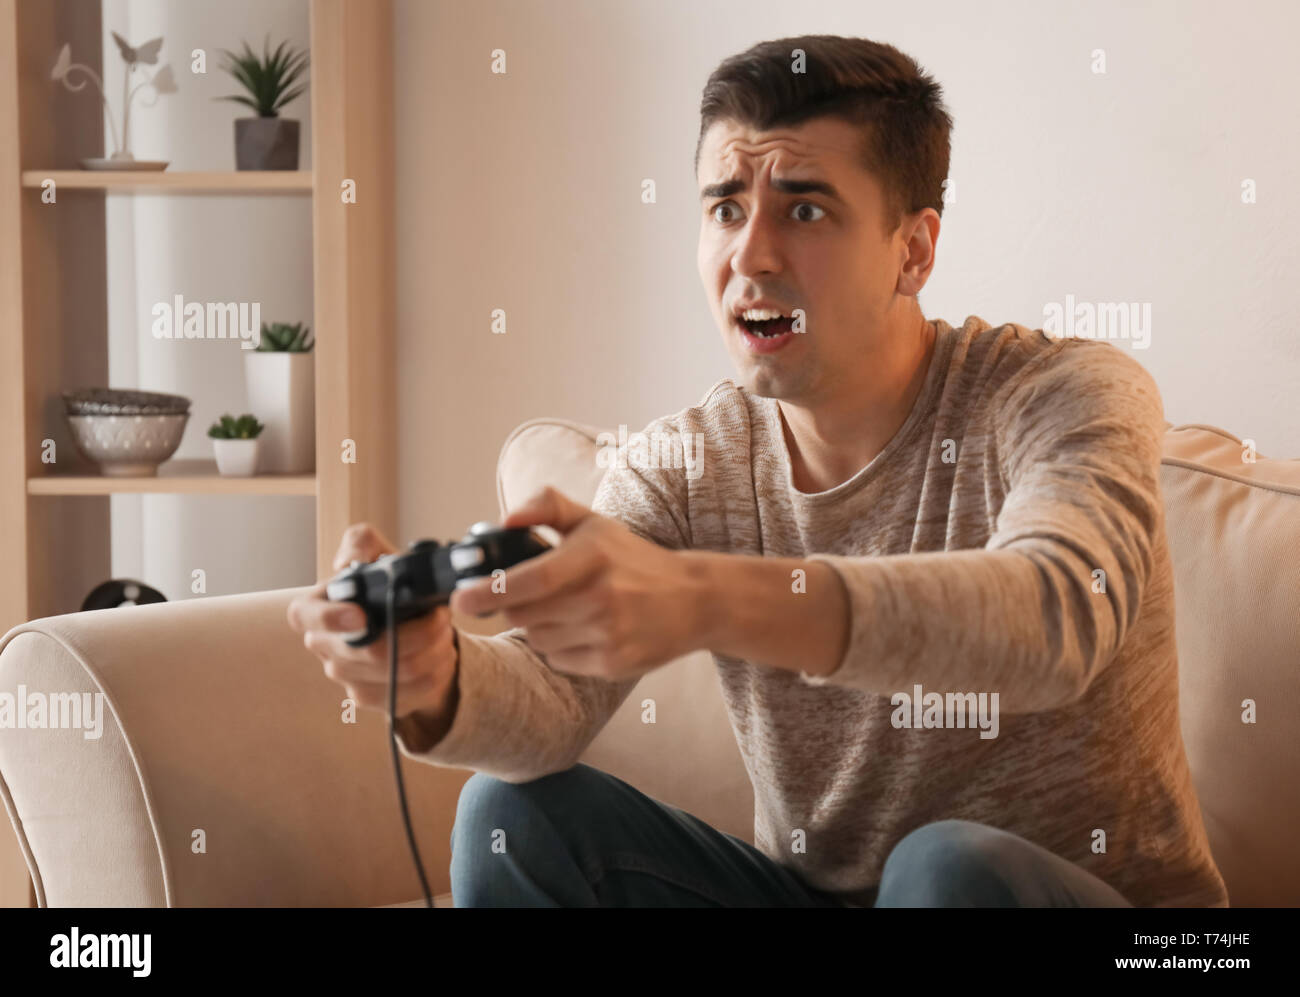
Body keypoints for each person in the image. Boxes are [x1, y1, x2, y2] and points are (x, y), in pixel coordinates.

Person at [288, 34, 1227, 908]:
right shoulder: (689, 461)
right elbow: (552, 701)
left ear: (913, 250)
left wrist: (703, 596)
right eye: (726, 208)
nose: (751, 252)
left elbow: (1057, 618)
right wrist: (436, 681)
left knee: (945, 868)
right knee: (512, 816)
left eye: (805, 209)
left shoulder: (1065, 393)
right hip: (810, 891)